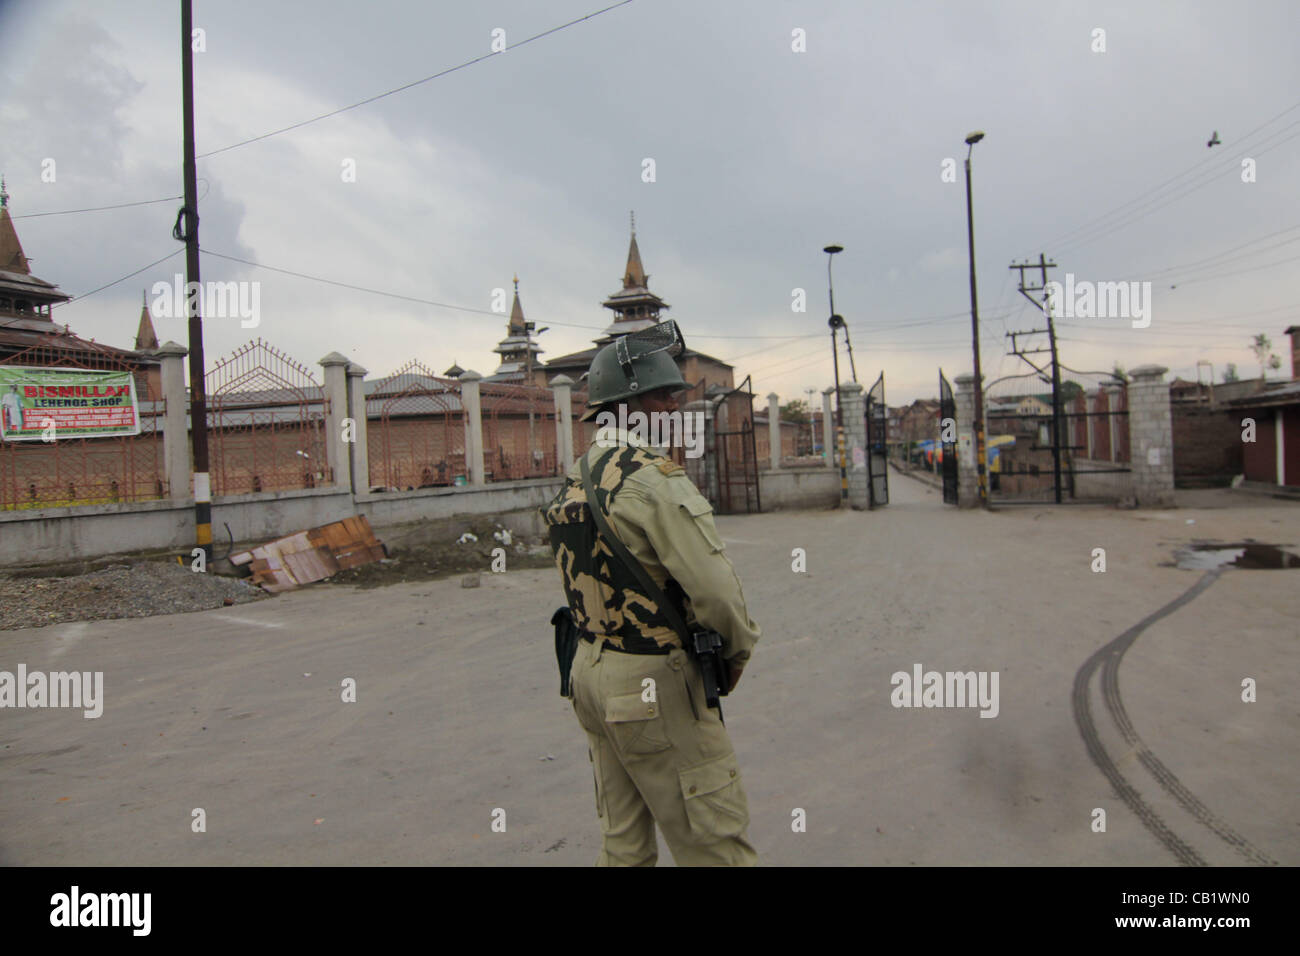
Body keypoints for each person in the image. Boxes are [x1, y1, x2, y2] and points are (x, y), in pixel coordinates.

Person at [541, 320, 762, 866]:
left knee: (624, 846)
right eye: (665, 396)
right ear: (629, 404)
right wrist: (735, 654)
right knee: (715, 844)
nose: (674, 408)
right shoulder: (652, 479)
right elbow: (717, 594)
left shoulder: (579, 474)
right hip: (649, 681)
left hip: (590, 674)